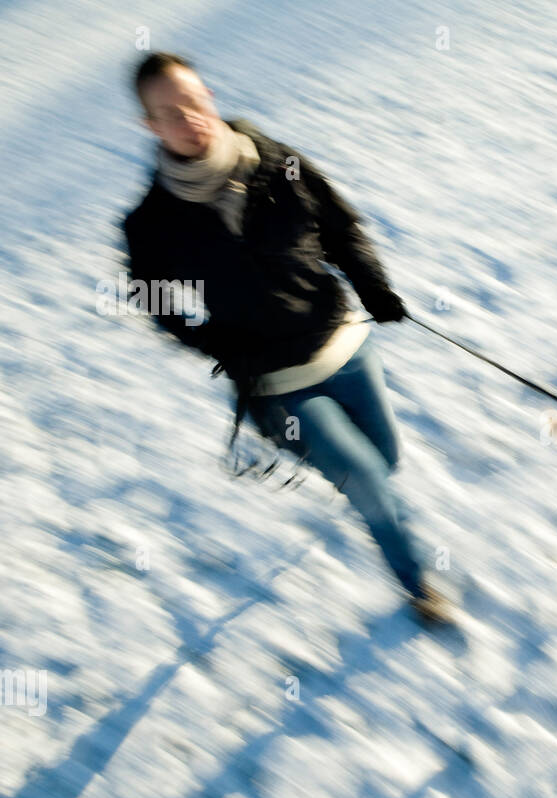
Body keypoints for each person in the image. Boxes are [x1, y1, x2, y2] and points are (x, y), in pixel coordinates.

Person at [122, 52, 453, 625]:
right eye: (170, 113)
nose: (190, 119)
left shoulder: (280, 164)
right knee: (370, 479)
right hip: (278, 384)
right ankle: (420, 586)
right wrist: (215, 343)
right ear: (150, 125)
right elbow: (152, 298)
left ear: (211, 98)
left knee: (386, 460)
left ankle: (355, 483)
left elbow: (340, 226)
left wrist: (374, 286)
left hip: (346, 347)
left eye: (196, 102)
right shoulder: (152, 223)